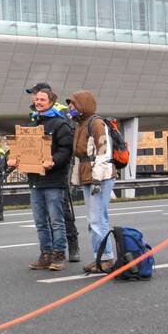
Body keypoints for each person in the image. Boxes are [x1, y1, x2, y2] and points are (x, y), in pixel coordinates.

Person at [20, 86, 74, 272]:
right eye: (37, 100)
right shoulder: (32, 125)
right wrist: (16, 158)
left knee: (56, 221)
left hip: (54, 180)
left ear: (51, 102)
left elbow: (66, 150)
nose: (38, 102)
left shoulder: (60, 124)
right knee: (40, 221)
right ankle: (45, 254)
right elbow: (25, 150)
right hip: (35, 180)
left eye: (42, 100)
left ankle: (59, 255)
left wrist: (53, 161)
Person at [67, 92, 118, 274]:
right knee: (93, 220)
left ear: (82, 105)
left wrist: (96, 178)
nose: (70, 108)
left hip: (100, 175)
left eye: (73, 105)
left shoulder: (96, 123)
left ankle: (107, 259)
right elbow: (80, 156)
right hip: (90, 174)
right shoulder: (81, 124)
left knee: (98, 219)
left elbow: (104, 151)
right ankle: (100, 258)